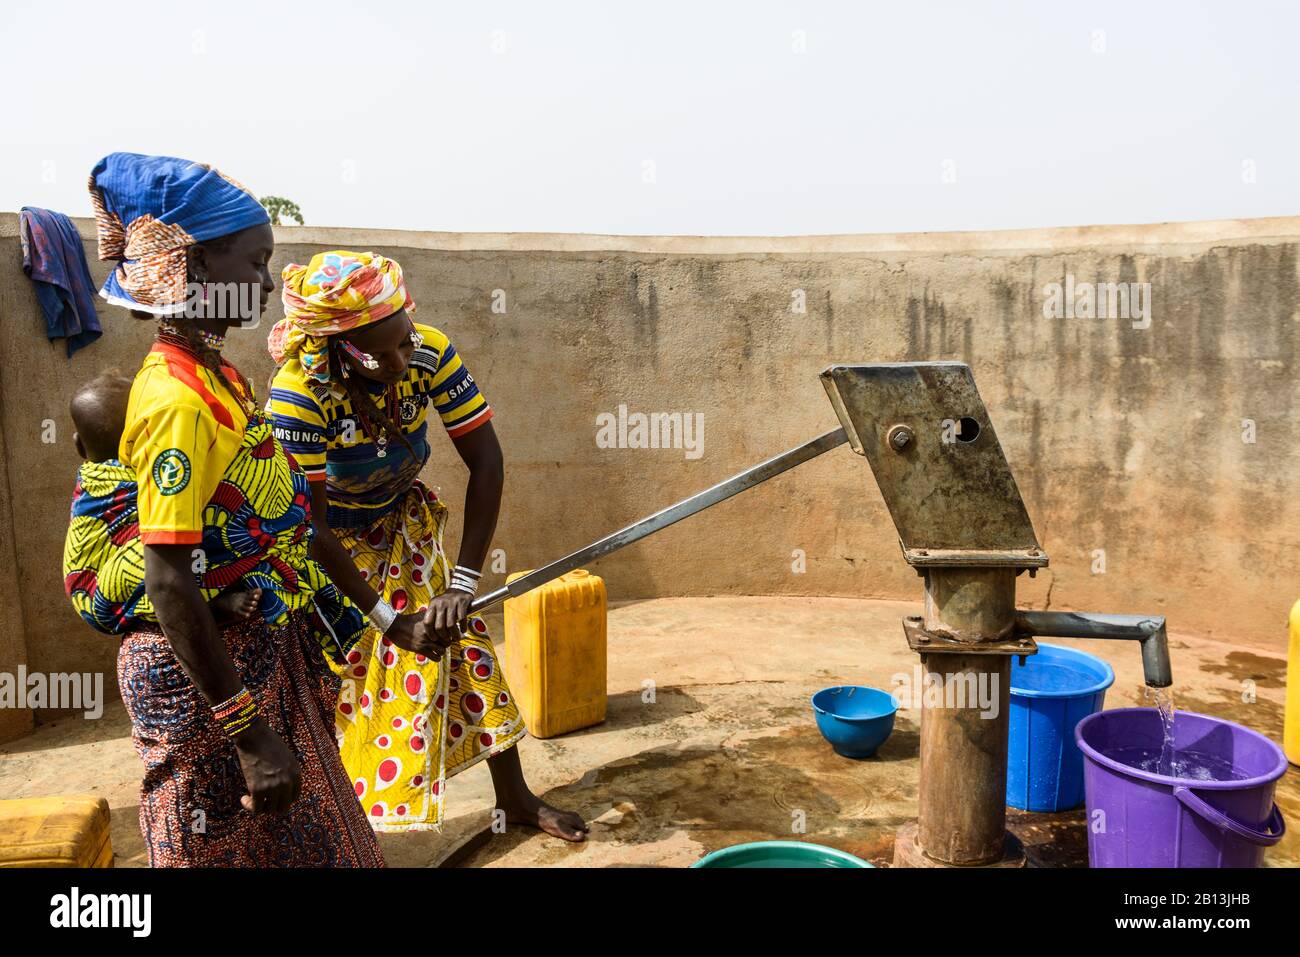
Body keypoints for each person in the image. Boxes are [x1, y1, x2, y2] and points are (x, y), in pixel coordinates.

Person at [87, 153, 385, 866]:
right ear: (191, 264)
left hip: (252, 659)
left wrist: (384, 616)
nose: (262, 283)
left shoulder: (218, 375)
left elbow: (287, 518)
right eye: (253, 263)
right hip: (207, 693)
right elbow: (169, 579)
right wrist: (247, 733)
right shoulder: (178, 402)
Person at [268, 250, 588, 840]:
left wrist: (462, 583)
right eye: (376, 352)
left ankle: (514, 797)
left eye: (404, 342)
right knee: (354, 676)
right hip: (332, 548)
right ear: (337, 347)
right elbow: (307, 527)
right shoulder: (298, 395)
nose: (397, 360)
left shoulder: (431, 351)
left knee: (460, 641)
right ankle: (338, 825)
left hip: (401, 521)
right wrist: (388, 619)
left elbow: (486, 460)